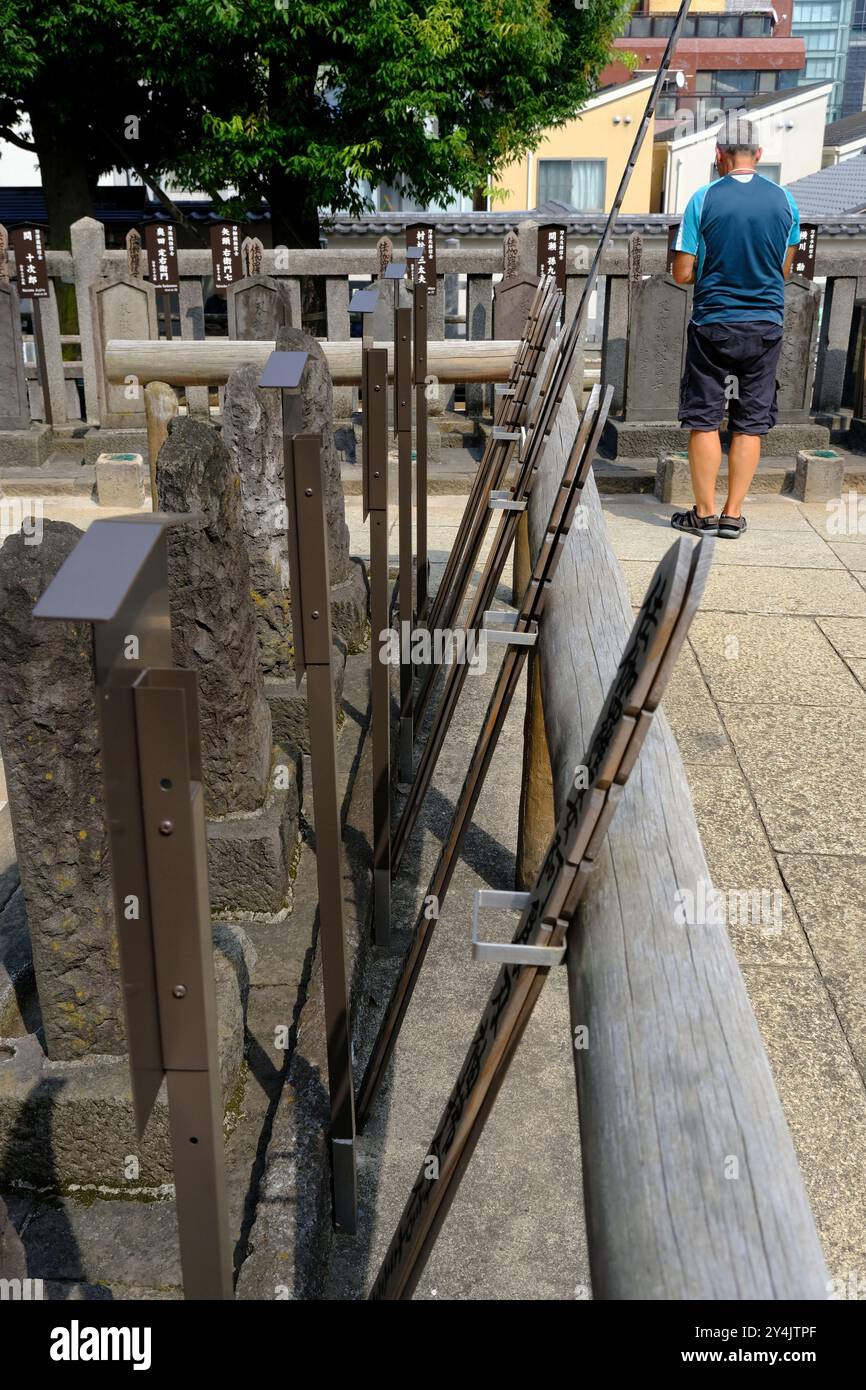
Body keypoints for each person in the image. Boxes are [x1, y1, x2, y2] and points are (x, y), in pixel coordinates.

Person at [670, 114, 800, 538]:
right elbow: (784, 268)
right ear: (759, 155)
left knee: (705, 418)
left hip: (714, 323)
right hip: (765, 324)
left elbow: (682, 272)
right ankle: (733, 514)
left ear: (718, 155)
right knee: (751, 420)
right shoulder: (785, 201)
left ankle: (704, 514)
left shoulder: (703, 199)